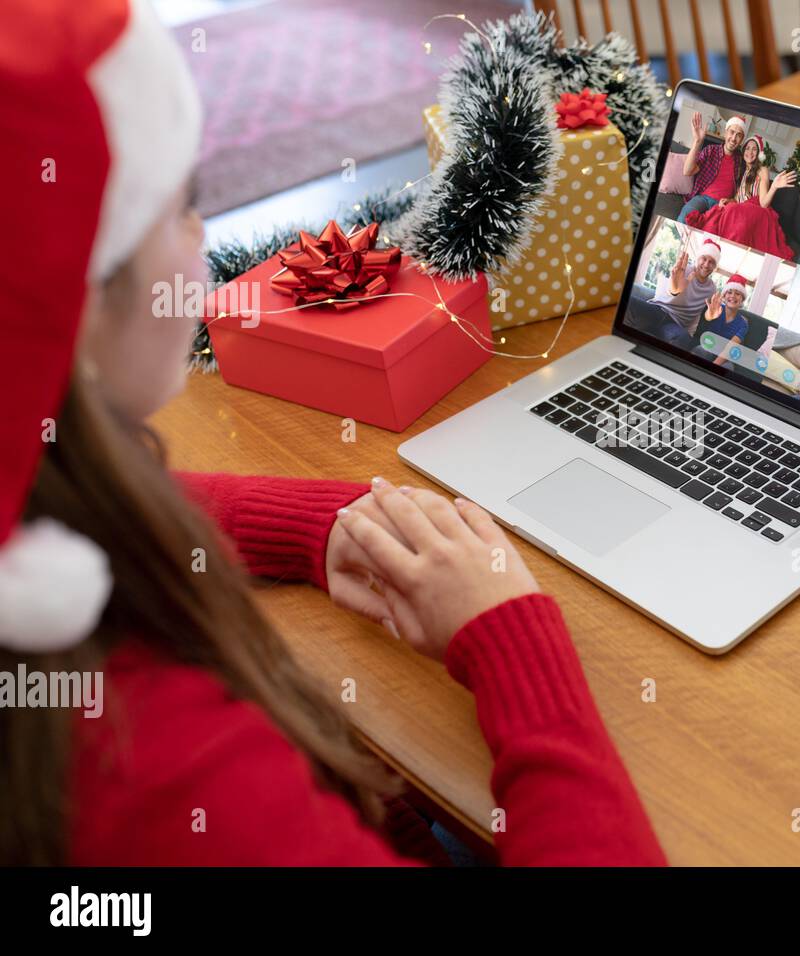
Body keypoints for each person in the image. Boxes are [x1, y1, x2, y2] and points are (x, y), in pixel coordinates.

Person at [0, 0, 666, 867]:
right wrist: (512, 638)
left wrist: (320, 526)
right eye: (181, 206)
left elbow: (94, 505)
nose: (202, 236)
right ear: (71, 303)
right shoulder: (170, 783)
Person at [684, 136, 797, 259]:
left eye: (754, 149)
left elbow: (764, 203)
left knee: (732, 211)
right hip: (743, 208)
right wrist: (728, 200)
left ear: (759, 153)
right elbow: (738, 199)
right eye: (747, 148)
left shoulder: (762, 170)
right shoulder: (743, 170)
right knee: (723, 210)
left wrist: (774, 186)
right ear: (743, 152)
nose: (750, 152)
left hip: (758, 210)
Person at [644, 237, 722, 349]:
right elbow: (671, 290)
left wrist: (709, 317)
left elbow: (706, 313)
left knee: (682, 339)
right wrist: (674, 291)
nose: (706, 264)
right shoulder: (684, 270)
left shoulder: (711, 289)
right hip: (658, 309)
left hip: (675, 324)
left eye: (711, 262)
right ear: (698, 258)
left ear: (715, 267)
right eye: (704, 259)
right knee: (628, 307)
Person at [678, 112, 746, 223]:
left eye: (738, 135)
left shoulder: (741, 162)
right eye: (732, 132)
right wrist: (697, 141)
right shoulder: (711, 150)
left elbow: (741, 191)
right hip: (703, 199)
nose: (734, 138)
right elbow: (687, 171)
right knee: (686, 217)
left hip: (723, 206)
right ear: (725, 133)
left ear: (741, 140)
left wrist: (732, 200)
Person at [692, 273, 751, 368]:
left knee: (728, 368)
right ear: (724, 296)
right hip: (708, 347)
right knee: (701, 350)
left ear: (742, 299)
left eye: (737, 293)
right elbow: (708, 316)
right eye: (729, 292)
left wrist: (714, 366)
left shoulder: (743, 324)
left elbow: (729, 349)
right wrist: (709, 315)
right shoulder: (716, 308)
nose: (733, 296)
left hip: (725, 357)